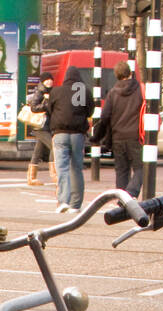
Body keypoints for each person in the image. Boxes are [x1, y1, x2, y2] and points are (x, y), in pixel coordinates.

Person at [92, 60, 144, 196]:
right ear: (130, 73)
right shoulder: (140, 90)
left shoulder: (113, 93)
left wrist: (98, 136)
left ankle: (123, 199)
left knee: (121, 170)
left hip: (118, 137)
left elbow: (105, 116)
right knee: (140, 168)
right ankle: (131, 192)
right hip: (135, 136)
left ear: (116, 75)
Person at [49, 67, 92, 212]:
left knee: (62, 169)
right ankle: (76, 204)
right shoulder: (84, 91)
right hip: (78, 134)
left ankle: (63, 202)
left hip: (60, 133)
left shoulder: (56, 91)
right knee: (77, 169)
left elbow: (50, 109)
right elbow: (90, 111)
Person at [26, 71, 58, 187]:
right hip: (40, 126)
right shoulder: (40, 92)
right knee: (54, 146)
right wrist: (47, 103)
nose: (49, 81)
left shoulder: (51, 92)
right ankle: (54, 175)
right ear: (43, 81)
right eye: (47, 79)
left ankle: (31, 178)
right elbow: (34, 108)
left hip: (47, 125)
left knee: (38, 151)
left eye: (51, 79)